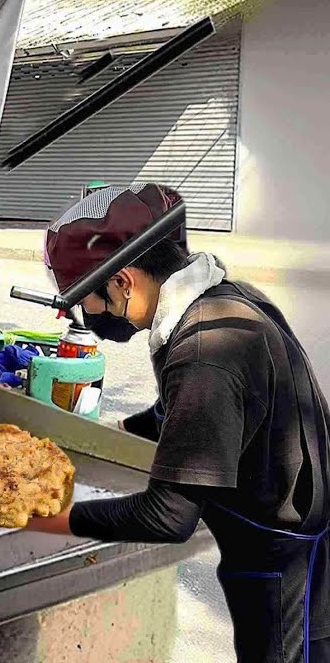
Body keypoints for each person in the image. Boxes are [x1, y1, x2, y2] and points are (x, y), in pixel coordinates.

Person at [25, 184, 329, 663]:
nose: (91, 314)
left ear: (124, 282)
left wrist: (48, 519)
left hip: (284, 559)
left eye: (91, 299)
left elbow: (167, 517)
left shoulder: (204, 353)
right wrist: (109, 437)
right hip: (285, 531)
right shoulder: (224, 299)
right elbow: (184, 416)